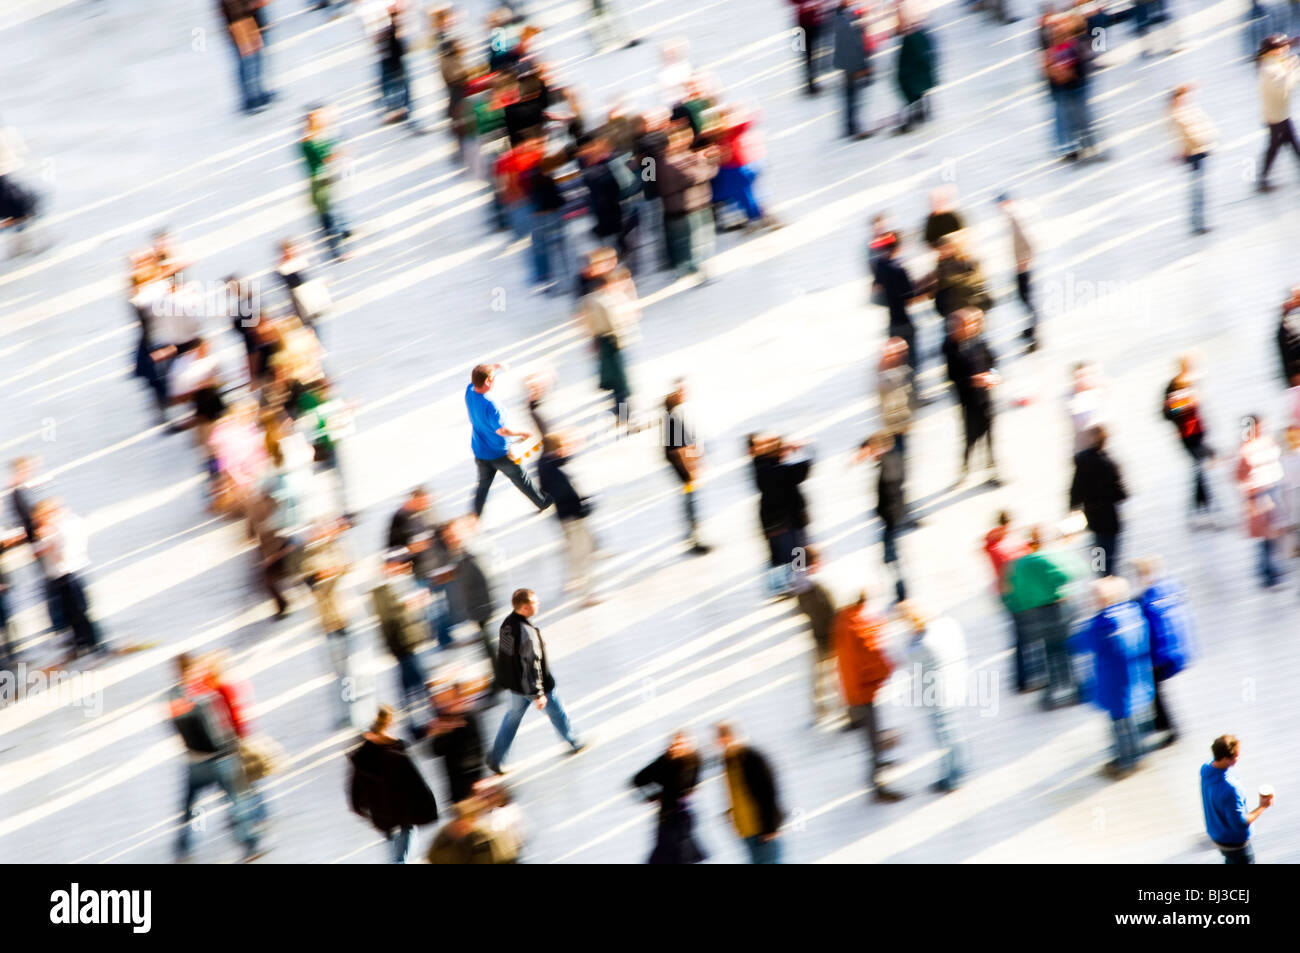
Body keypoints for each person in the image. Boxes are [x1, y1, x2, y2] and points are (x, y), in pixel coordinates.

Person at [170, 654, 264, 862]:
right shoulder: (205, 696)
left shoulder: (172, 697)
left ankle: (182, 848)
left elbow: (174, 727)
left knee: (189, 808)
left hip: (194, 762)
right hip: (218, 760)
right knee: (237, 801)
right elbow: (219, 731)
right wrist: (232, 750)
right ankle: (250, 844)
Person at [487, 589, 585, 773]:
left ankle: (496, 758)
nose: (538, 605)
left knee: (511, 719)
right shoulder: (526, 631)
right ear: (525, 607)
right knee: (557, 712)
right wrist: (538, 693)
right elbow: (532, 666)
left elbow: (508, 655)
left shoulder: (508, 624)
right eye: (535, 603)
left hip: (516, 686)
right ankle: (574, 741)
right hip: (534, 687)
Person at [1068, 576, 1154, 779]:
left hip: (1114, 682)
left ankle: (1126, 762)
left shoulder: (1102, 623)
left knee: (1120, 725)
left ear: (1104, 599)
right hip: (1137, 676)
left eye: (1094, 597)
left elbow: (1078, 644)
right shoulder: (1133, 612)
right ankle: (1139, 754)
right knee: (1134, 720)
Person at [833, 589, 904, 801]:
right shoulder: (857, 628)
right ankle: (877, 786)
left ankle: (879, 765)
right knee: (871, 740)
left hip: (852, 691)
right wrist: (889, 668)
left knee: (871, 735)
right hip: (862, 693)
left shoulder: (844, 620)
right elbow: (870, 654)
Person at [1005, 525, 1087, 709]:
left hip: (1036, 615)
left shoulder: (1021, 564)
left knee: (1050, 653)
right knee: (1064, 652)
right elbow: (1078, 571)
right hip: (1059, 609)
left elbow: (1014, 593)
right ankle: (1075, 689)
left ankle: (1051, 695)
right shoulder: (1054, 556)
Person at [347, 704, 440, 863]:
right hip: (404, 816)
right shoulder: (397, 753)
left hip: (384, 819)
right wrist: (429, 808)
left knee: (396, 857)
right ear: (390, 723)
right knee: (401, 858)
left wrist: (361, 809)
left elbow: (356, 790)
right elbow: (417, 784)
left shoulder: (363, 757)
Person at [899, 601, 968, 793]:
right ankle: (954, 772)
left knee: (947, 736)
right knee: (951, 733)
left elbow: (910, 656)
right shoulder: (944, 626)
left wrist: (911, 639)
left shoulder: (925, 642)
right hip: (947, 687)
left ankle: (955, 775)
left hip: (937, 694)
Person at [465, 364, 551, 517]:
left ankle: (474, 516)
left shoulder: (470, 391)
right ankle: (543, 501)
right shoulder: (491, 405)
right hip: (501, 453)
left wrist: (495, 367)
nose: (495, 380)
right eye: (493, 378)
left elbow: (479, 376)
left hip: (480, 450)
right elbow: (501, 430)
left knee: (483, 486)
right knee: (520, 478)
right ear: (487, 382)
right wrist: (524, 433)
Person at [31, 499, 104, 660]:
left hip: (68, 575)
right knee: (71, 615)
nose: (38, 521)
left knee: (80, 613)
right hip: (60, 577)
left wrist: (47, 541)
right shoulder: (58, 527)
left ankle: (95, 647)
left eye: (40, 517)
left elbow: (59, 556)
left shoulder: (60, 529)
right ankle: (81, 645)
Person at [536, 431, 599, 606]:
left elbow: (561, 461)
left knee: (574, 550)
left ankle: (571, 582)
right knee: (581, 554)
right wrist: (581, 507)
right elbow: (563, 492)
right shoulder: (550, 468)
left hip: (567, 516)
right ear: (556, 448)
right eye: (563, 445)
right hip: (572, 516)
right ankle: (586, 595)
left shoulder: (546, 464)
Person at [1136, 556, 1193, 748]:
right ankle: (1160, 721)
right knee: (1157, 689)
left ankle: (1170, 728)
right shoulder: (1171, 587)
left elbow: (1155, 632)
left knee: (1156, 689)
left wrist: (1151, 658)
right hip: (1178, 649)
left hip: (1163, 655)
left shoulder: (1148, 600)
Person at [751, 434, 814, 598]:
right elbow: (806, 467)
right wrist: (802, 450)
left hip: (772, 522)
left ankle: (778, 585)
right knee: (797, 551)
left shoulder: (760, 467)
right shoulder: (782, 470)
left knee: (777, 555)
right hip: (789, 521)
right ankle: (799, 583)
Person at [369, 549, 431, 714]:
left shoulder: (401, 582)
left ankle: (416, 716)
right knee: (415, 681)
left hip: (410, 640)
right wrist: (410, 603)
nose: (405, 566)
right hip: (400, 643)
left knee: (411, 681)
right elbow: (389, 614)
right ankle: (417, 719)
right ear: (389, 567)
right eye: (400, 563)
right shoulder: (379, 590)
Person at [631, 731, 707, 864]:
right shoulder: (665, 761)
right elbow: (638, 779)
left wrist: (691, 788)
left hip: (684, 815)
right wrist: (654, 796)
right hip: (667, 816)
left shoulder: (695, 759)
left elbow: (692, 782)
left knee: (680, 855)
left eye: (680, 744)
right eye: (674, 744)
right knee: (667, 856)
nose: (676, 747)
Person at [716, 722, 784, 863]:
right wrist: (730, 812)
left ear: (734, 736)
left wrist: (771, 827)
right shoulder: (728, 761)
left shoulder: (752, 757)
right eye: (720, 738)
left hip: (762, 829)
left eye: (725, 737)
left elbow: (769, 791)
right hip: (745, 829)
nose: (723, 742)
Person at [578, 265, 640, 418]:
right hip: (613, 340)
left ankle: (619, 409)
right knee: (620, 380)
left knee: (613, 378)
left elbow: (585, 321)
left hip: (602, 340)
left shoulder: (589, 300)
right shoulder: (608, 300)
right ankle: (624, 412)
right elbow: (616, 322)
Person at [949, 309, 1002, 486]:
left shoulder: (979, 342)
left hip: (985, 399)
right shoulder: (952, 348)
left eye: (971, 324)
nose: (969, 328)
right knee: (970, 437)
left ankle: (992, 470)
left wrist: (994, 375)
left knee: (989, 437)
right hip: (969, 402)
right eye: (965, 325)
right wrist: (973, 380)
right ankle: (964, 470)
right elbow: (953, 377)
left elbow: (993, 361)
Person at [1201, 734, 1274, 864]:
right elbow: (1239, 823)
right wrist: (1263, 806)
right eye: (1236, 756)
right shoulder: (1230, 789)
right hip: (1235, 843)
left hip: (1217, 835)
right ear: (1225, 758)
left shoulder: (1206, 769)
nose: (1238, 758)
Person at [984, 512, 1036, 692]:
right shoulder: (998, 547)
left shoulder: (1000, 544)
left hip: (1015, 595)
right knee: (1022, 637)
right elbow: (1014, 565)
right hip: (1014, 597)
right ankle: (1023, 680)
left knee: (1024, 636)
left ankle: (1026, 677)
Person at [658, 125, 718, 281]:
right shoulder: (662, 161)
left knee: (703, 241)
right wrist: (706, 165)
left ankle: (696, 271)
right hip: (683, 208)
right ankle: (692, 273)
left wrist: (709, 163)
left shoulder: (687, 155)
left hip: (699, 203)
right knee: (692, 244)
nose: (683, 141)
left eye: (685, 136)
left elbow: (704, 173)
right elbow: (690, 177)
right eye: (676, 139)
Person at [855, 432, 908, 603]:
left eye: (869, 451)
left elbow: (892, 489)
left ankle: (901, 593)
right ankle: (898, 591)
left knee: (892, 558)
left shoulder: (890, 462)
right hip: (889, 517)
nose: (868, 456)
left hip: (892, 518)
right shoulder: (888, 460)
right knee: (889, 558)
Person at [1163, 353, 1215, 525]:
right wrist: (1183, 404)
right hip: (1185, 435)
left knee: (1200, 469)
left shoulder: (1192, 382)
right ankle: (1203, 509)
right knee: (1200, 468)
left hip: (1198, 431)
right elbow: (1167, 413)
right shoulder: (1172, 386)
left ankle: (1199, 510)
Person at [1070, 425, 1128, 575]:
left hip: (1093, 518)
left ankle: (1101, 583)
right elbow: (1121, 494)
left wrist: (1073, 508)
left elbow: (1075, 489)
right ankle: (1112, 586)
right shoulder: (1110, 464)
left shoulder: (1081, 462)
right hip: (1111, 519)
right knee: (1112, 558)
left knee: (1099, 557)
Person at [1235, 415, 1286, 588]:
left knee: (1274, 532)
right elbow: (1239, 477)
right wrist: (1250, 498)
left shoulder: (1266, 441)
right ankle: (1268, 572)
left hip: (1272, 487)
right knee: (1266, 535)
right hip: (1258, 493)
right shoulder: (1245, 450)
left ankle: (1270, 568)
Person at [663, 380, 712, 554]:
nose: (685, 395)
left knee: (691, 501)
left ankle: (693, 534)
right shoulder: (672, 418)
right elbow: (679, 451)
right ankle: (693, 538)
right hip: (684, 471)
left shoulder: (674, 414)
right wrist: (691, 470)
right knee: (691, 501)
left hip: (686, 468)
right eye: (681, 392)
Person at [793, 545, 839, 723]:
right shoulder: (819, 588)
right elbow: (833, 612)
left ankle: (819, 710)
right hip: (831, 637)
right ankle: (844, 706)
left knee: (819, 676)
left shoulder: (800, 586)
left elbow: (802, 610)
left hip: (817, 636)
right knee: (835, 674)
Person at [300, 108, 351, 261]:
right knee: (326, 219)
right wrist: (340, 153)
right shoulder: (308, 142)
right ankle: (335, 250)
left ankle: (342, 233)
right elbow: (324, 158)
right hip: (319, 183)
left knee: (333, 212)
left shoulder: (319, 138)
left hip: (326, 180)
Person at [426, 681, 487, 803]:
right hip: (458, 780)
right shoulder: (448, 719)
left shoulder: (465, 718)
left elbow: (437, 749)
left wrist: (441, 732)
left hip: (467, 780)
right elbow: (435, 750)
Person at [1168, 84, 1216, 235]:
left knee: (1198, 189)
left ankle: (1198, 222)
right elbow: (1190, 136)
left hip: (1197, 153)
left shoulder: (1183, 112)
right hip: (1194, 155)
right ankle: (1197, 224)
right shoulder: (1179, 115)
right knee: (1197, 190)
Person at [995, 193, 1040, 349]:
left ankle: (1034, 335)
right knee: (1023, 299)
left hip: (1023, 267)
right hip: (1020, 265)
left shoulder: (1017, 217)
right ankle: (1030, 330)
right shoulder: (1014, 217)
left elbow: (1030, 242)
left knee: (1026, 300)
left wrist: (1024, 262)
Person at [1256, 34, 1300, 193]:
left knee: (1290, 143)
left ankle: (1262, 179)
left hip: (1280, 113)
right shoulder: (1268, 69)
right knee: (1276, 146)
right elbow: (1285, 87)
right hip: (1276, 116)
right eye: (1282, 47)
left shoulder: (1273, 62)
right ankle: (1262, 180)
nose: (1285, 49)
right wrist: (1292, 68)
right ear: (1272, 51)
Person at [218, 0, 273, 114]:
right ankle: (250, 99)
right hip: (239, 20)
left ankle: (259, 93)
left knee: (256, 59)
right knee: (246, 62)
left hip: (250, 17)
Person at [831, 2, 872, 140]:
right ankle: (852, 127)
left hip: (850, 60)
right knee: (851, 94)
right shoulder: (843, 16)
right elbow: (851, 40)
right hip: (851, 61)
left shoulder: (845, 14)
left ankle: (851, 125)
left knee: (853, 94)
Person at [895, 2, 937, 133]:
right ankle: (922, 111)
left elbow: (903, 25)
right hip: (917, 36)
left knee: (909, 80)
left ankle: (915, 115)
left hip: (913, 38)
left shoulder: (905, 5)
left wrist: (905, 25)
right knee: (918, 78)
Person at [790, 0, 831, 95]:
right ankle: (810, 84)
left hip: (817, 21)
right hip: (803, 24)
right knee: (807, 54)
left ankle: (813, 81)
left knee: (816, 52)